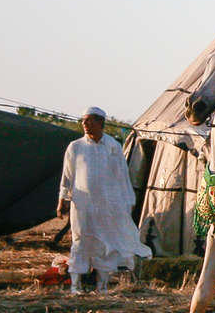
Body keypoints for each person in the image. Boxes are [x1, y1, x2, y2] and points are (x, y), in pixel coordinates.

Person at [57, 107, 151, 293]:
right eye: (83, 120)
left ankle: (102, 286)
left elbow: (122, 177)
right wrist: (63, 200)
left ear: (100, 122)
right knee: (80, 241)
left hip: (106, 205)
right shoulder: (75, 147)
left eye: (90, 120)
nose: (85, 124)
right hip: (83, 204)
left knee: (105, 243)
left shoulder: (113, 146)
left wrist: (125, 202)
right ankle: (76, 287)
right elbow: (67, 177)